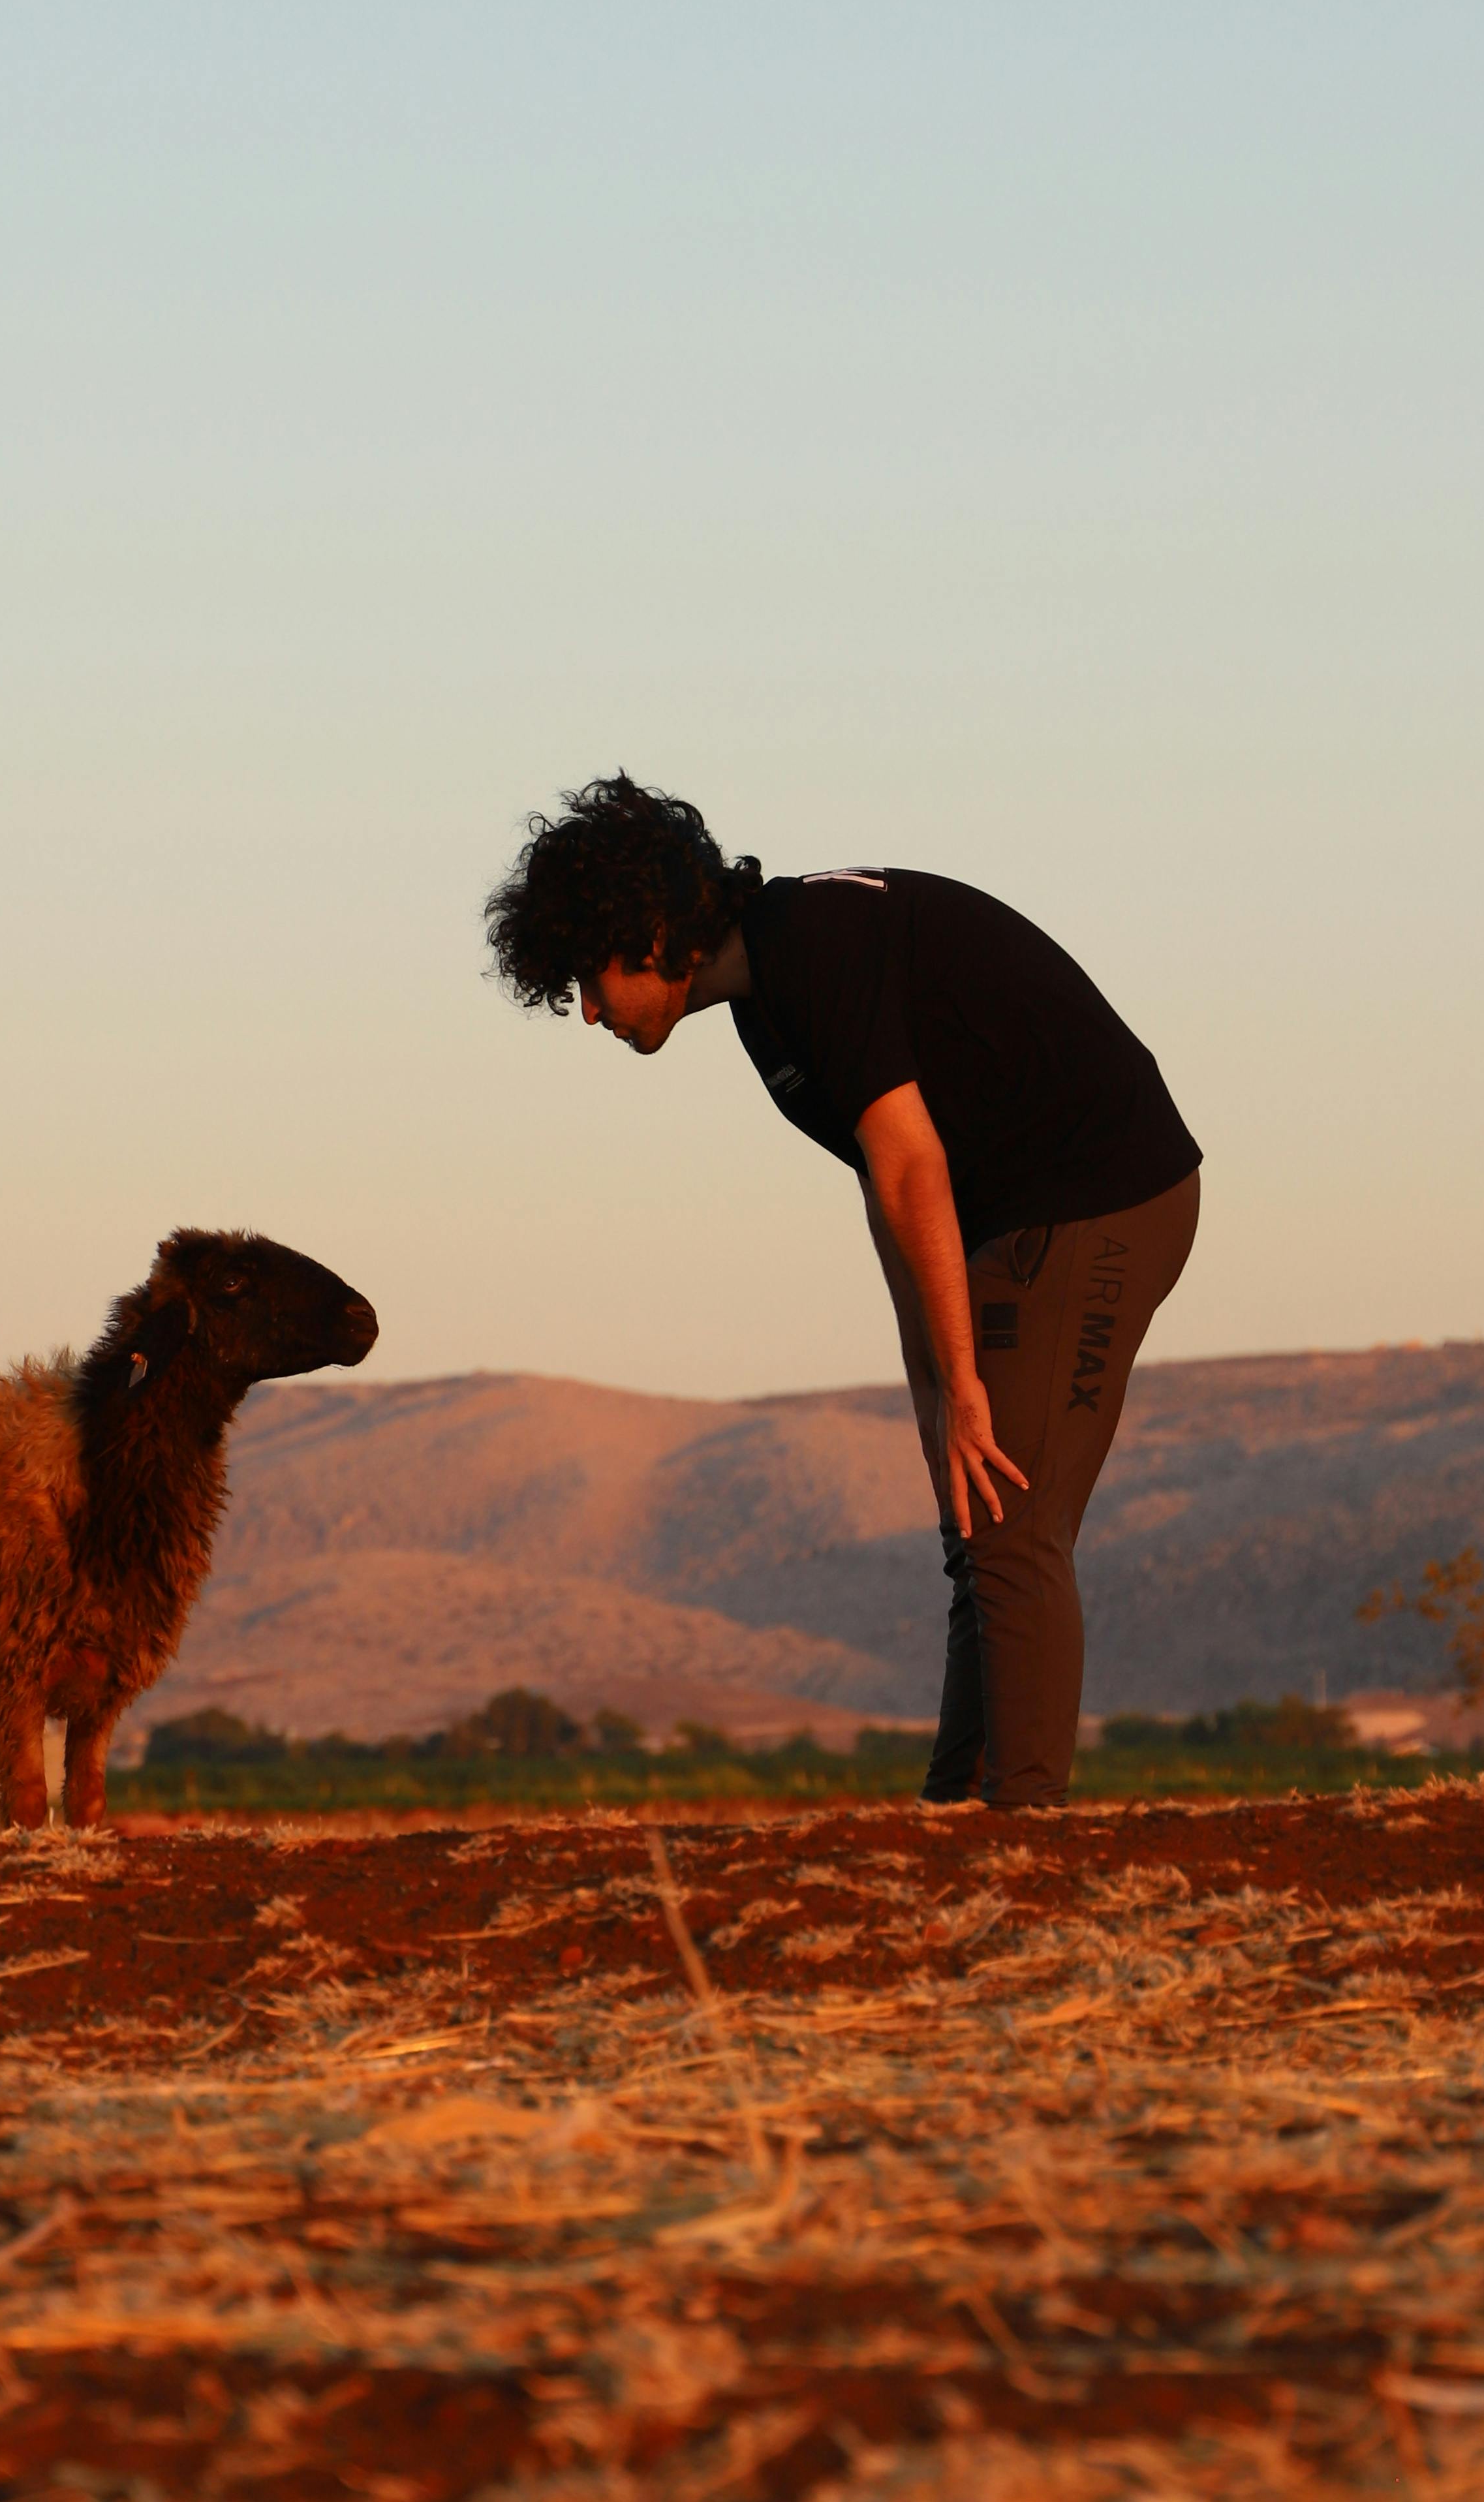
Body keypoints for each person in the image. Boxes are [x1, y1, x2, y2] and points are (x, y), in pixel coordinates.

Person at [484, 773, 1201, 1809]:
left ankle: (1025, 1842)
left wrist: (967, 1384)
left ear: (649, 935)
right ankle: (954, 1817)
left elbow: (913, 1167)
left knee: (1010, 1525)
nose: (589, 1012)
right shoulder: (767, 1006)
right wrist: (934, 1387)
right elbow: (886, 1189)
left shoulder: (809, 946)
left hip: (1099, 1197)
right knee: (975, 1523)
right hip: (1016, 1221)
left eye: (588, 979)